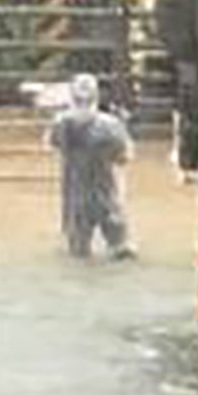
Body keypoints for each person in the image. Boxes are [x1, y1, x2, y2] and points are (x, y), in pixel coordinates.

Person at [50, 74, 137, 261]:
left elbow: (54, 145)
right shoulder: (111, 125)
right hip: (106, 193)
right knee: (121, 248)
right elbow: (123, 158)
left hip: (75, 196)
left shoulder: (60, 123)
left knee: (77, 253)